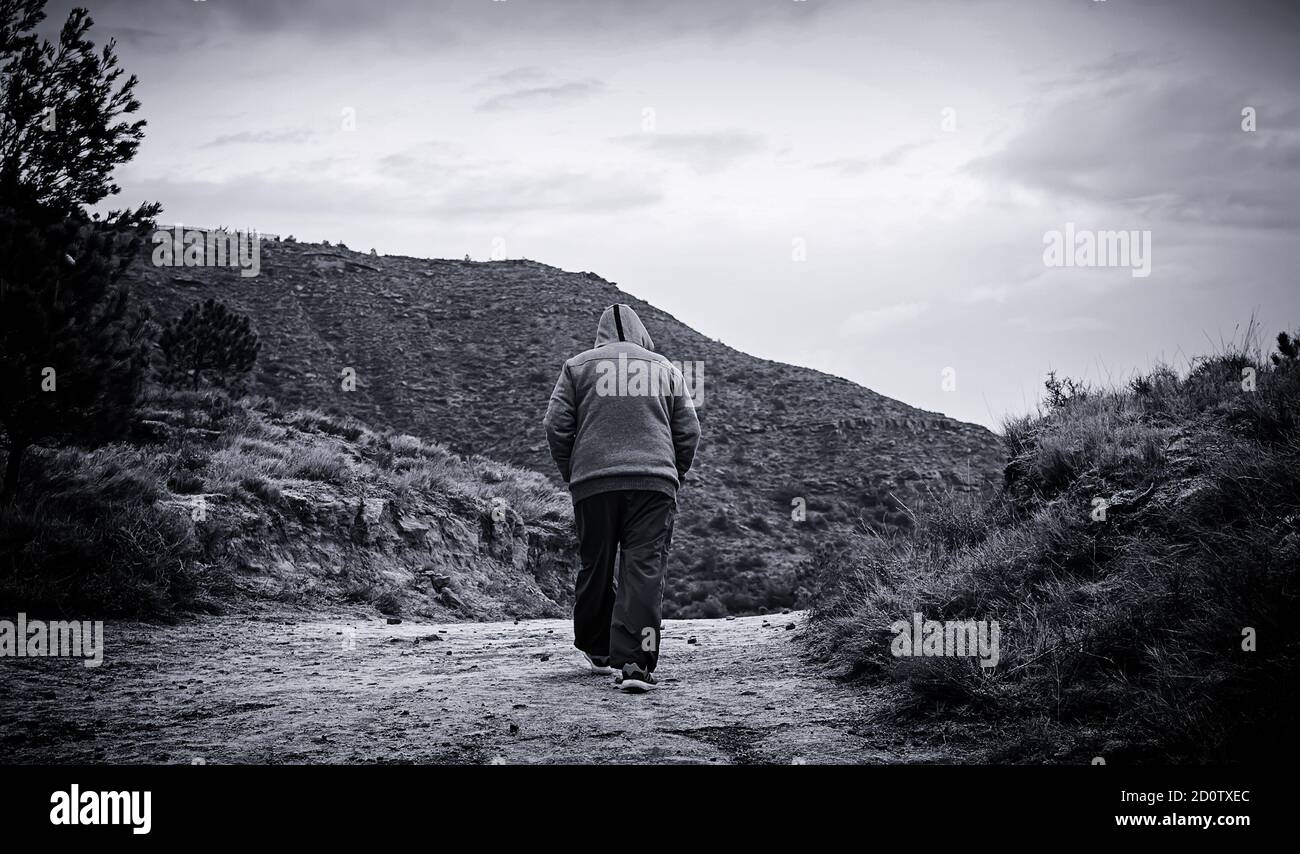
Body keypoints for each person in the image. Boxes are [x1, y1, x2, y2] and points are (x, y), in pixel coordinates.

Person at [544, 304, 700, 693]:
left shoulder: (577, 366)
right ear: (642, 332)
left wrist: (574, 473)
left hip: (593, 484)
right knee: (644, 570)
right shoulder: (664, 368)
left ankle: (598, 649)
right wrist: (673, 474)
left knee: (595, 564)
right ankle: (635, 663)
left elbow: (556, 425)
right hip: (654, 485)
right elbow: (689, 431)